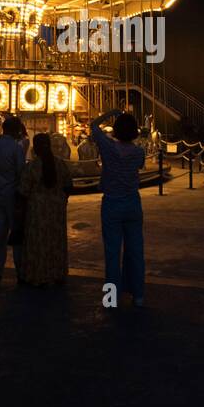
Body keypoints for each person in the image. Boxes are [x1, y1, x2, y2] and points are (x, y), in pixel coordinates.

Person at [91, 109, 146, 308]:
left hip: (112, 203)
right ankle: (138, 295)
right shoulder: (138, 152)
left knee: (112, 253)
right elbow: (139, 167)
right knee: (136, 251)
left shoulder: (108, 148)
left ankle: (112, 298)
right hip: (132, 202)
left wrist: (111, 112)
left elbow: (93, 126)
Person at [17, 132, 72, 286]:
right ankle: (56, 273)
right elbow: (69, 186)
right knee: (56, 241)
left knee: (37, 242)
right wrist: (61, 200)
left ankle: (38, 274)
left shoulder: (32, 167)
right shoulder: (60, 164)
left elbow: (23, 191)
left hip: (37, 210)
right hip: (56, 209)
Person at [0, 114, 26, 284]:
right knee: (17, 232)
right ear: (15, 131)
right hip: (13, 193)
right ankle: (20, 271)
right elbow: (21, 171)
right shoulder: (16, 148)